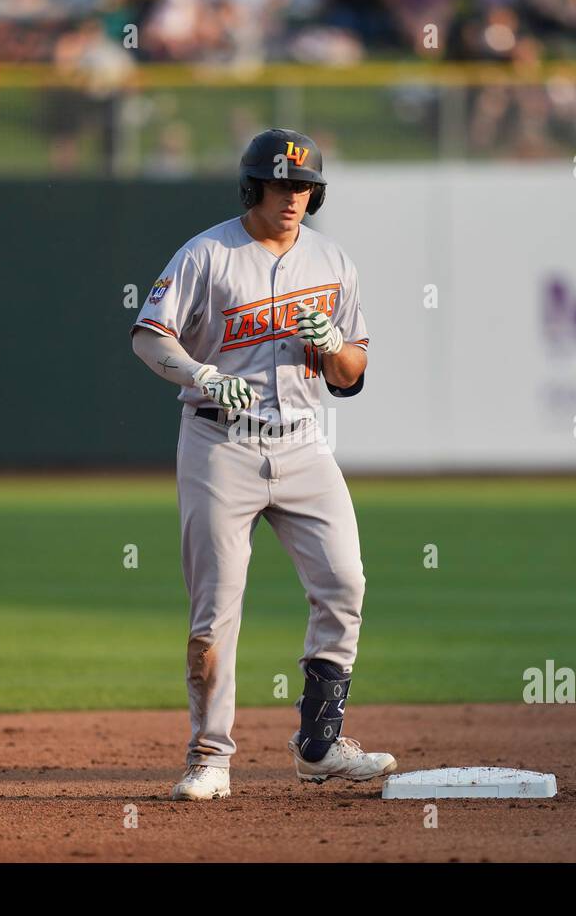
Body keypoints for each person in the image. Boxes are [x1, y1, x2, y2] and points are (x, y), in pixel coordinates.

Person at [129, 128, 397, 801]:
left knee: (345, 583)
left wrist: (335, 345)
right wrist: (201, 374)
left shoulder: (333, 260)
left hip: (304, 440)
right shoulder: (207, 253)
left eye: (303, 186)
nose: (292, 197)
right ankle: (209, 758)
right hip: (220, 443)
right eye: (280, 184)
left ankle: (320, 745)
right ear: (254, 187)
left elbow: (352, 372)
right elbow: (147, 335)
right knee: (215, 609)